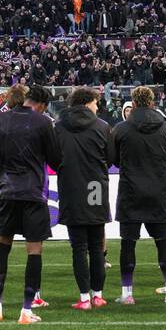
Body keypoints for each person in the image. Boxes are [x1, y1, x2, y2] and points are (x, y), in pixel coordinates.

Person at [0, 84, 62, 324]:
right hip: (34, 194)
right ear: (43, 105)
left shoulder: (1, 120)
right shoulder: (44, 122)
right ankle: (26, 310)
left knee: (3, 244)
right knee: (34, 249)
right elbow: (56, 160)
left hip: (7, 192)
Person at [112, 85, 166, 304]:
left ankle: (127, 294)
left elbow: (115, 159)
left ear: (134, 103)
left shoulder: (121, 128)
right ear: (152, 102)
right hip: (159, 190)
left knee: (128, 243)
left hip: (130, 191)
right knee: (163, 241)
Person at [55, 87, 115, 310]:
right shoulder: (102, 126)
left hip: (71, 187)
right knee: (96, 244)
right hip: (95, 186)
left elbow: (53, 157)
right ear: (88, 102)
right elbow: (110, 158)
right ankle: (98, 295)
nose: (98, 107)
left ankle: (84, 299)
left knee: (78, 246)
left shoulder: (59, 127)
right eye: (96, 102)